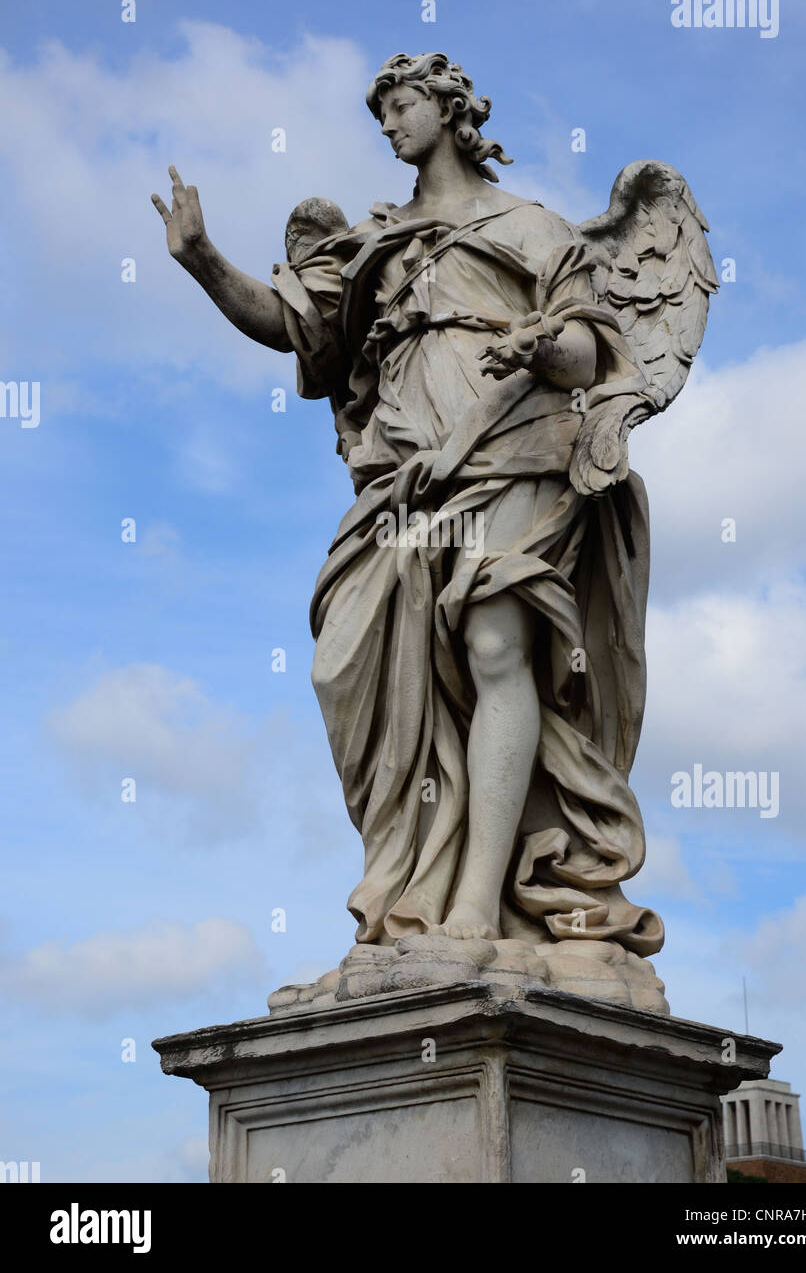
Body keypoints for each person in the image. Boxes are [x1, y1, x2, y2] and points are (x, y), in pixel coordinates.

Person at [152, 52, 663, 958]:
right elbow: (291, 325)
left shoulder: (533, 227)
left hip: (514, 454)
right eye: (381, 111)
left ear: (450, 110)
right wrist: (200, 260)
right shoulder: (372, 244)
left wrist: (538, 349)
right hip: (402, 475)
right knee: (346, 667)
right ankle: (413, 889)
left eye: (401, 106)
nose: (388, 124)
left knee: (496, 642)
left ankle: (475, 906)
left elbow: (591, 357)